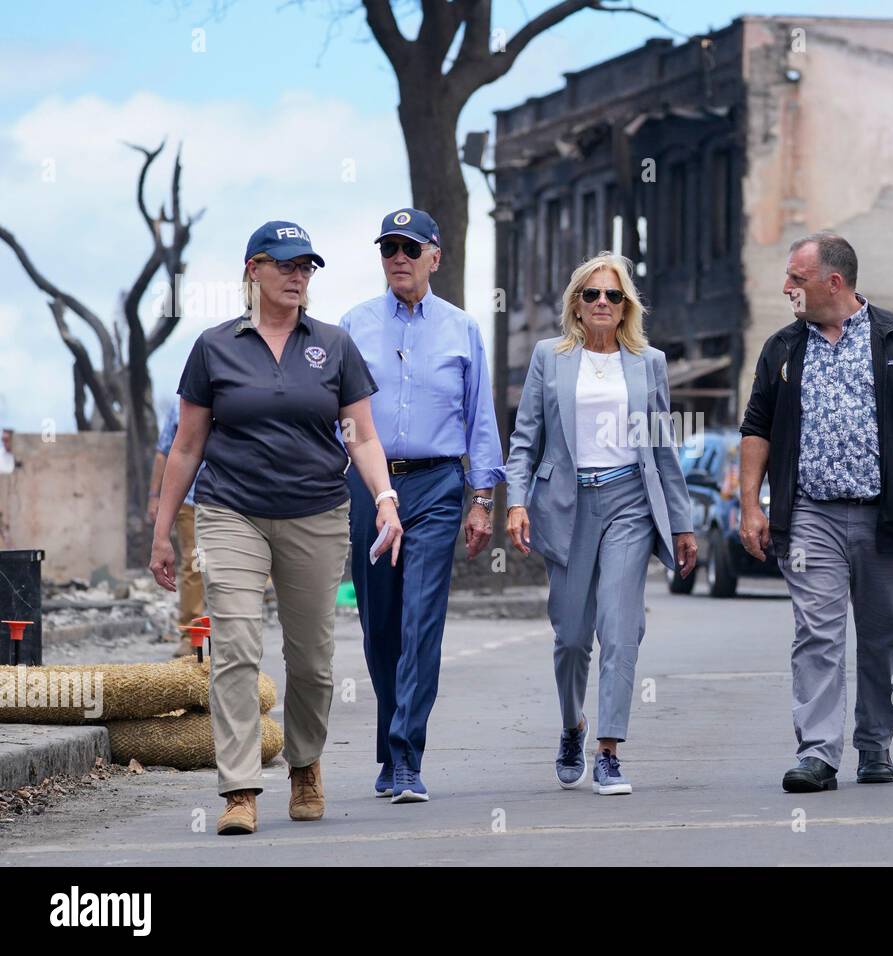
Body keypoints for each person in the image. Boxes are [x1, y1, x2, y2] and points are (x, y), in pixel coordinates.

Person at [149, 220, 402, 836]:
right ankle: (239, 788)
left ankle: (305, 765)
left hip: (316, 512)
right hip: (231, 509)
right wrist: (161, 532)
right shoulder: (215, 347)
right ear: (253, 269)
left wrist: (386, 498)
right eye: (286, 265)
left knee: (312, 659)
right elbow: (186, 446)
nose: (298, 276)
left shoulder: (335, 345)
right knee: (234, 646)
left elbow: (362, 435)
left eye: (306, 267)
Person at [739, 231, 893, 793]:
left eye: (797, 278)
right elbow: (756, 427)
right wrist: (751, 506)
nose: (787, 287)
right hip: (810, 513)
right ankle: (817, 752)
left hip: (887, 515)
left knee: (884, 637)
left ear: (833, 282)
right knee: (817, 632)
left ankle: (875, 742)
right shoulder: (784, 348)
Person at [505, 251, 696, 796]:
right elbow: (525, 440)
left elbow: (662, 449)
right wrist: (515, 502)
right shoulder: (550, 357)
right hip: (566, 505)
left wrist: (681, 524)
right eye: (593, 295)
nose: (603, 303)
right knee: (570, 637)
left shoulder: (648, 362)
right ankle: (573, 725)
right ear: (577, 304)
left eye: (614, 295)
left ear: (626, 304)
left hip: (629, 502)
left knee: (619, 626)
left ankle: (609, 750)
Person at [340, 208, 504, 804]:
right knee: (379, 624)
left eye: (410, 248)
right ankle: (388, 746)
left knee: (420, 619)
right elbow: (336, 417)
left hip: (437, 486)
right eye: (389, 249)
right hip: (369, 486)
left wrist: (481, 499)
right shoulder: (352, 326)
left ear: (436, 255)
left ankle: (408, 754)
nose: (399, 259)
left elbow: (480, 419)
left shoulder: (462, 329)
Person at [148, 398, 204, 656]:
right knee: (194, 564)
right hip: (190, 498)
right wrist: (154, 496)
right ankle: (191, 636)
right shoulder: (180, 406)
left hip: (230, 498)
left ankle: (230, 637)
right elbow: (164, 452)